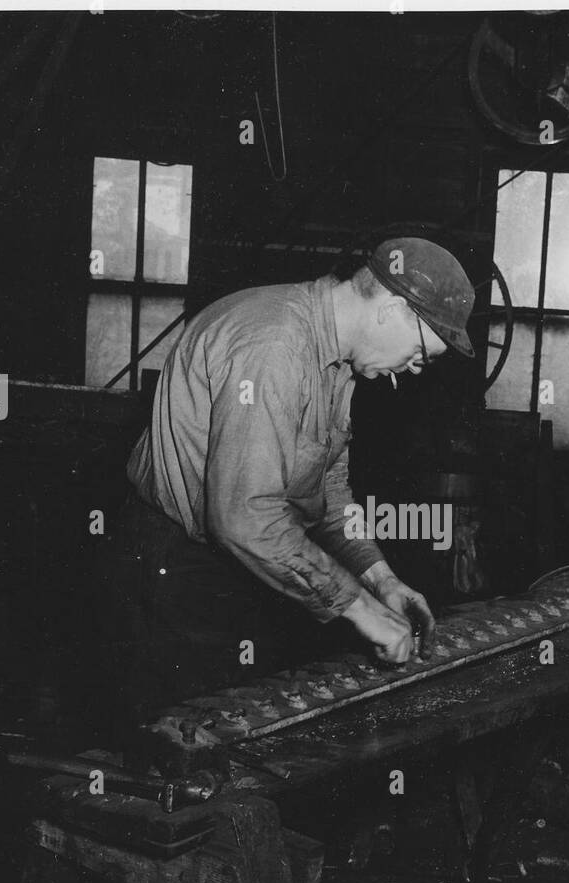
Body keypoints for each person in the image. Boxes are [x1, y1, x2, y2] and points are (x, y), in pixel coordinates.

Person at [103, 236, 477, 736]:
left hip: (244, 563)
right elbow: (245, 516)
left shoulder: (338, 362)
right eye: (418, 355)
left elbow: (330, 486)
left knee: (240, 726)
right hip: (176, 566)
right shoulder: (275, 344)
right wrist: (361, 610)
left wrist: (379, 577)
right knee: (183, 749)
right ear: (392, 309)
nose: (408, 373)